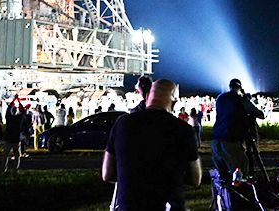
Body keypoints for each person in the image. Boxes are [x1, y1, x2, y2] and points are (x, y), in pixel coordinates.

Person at [103, 78, 201, 211]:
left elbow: (107, 174)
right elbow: (195, 179)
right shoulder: (184, 129)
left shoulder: (122, 123)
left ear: (148, 95)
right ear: (173, 102)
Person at [212, 78, 265, 182]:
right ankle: (240, 190)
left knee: (223, 176)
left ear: (230, 86)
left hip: (215, 140)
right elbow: (260, 114)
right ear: (240, 87)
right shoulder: (240, 99)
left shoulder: (220, 98)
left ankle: (223, 191)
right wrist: (246, 99)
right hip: (230, 140)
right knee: (241, 169)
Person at [1, 98, 24, 172]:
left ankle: (4, 168)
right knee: (17, 155)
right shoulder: (19, 119)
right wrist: (18, 101)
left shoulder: (9, 118)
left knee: (5, 155)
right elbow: (23, 111)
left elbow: (7, 110)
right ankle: (16, 169)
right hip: (16, 139)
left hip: (8, 138)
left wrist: (13, 101)